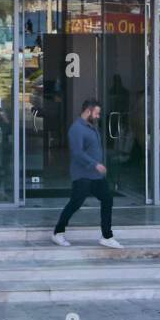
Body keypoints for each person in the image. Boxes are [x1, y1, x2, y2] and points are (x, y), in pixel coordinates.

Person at [52, 98, 122, 248]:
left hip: (96, 176)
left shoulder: (91, 127)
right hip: (83, 176)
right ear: (88, 111)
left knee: (107, 199)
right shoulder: (76, 128)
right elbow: (77, 153)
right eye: (96, 113)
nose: (98, 116)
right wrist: (95, 164)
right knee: (75, 204)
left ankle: (107, 236)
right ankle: (58, 233)